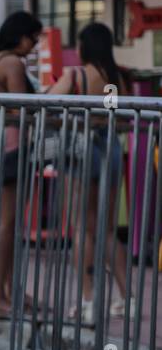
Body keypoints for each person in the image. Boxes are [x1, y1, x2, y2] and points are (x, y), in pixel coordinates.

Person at [46, 22, 131, 323]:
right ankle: (126, 298)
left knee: (82, 227)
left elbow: (46, 104)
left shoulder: (76, 75)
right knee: (107, 229)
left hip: (80, 150)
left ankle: (89, 301)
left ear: (84, 47)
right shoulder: (118, 77)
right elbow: (126, 121)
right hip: (110, 149)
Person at [0, 11, 43, 317]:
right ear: (20, 35)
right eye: (33, 37)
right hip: (13, 142)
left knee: (7, 222)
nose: (35, 44)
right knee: (8, 222)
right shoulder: (13, 63)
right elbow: (22, 106)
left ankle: (6, 290)